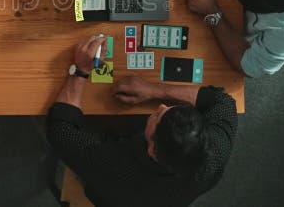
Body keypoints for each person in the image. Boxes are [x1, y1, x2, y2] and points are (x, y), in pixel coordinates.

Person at [46, 36, 238, 207]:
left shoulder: (113, 166)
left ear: (152, 149)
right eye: (170, 109)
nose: (162, 106)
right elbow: (223, 101)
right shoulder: (216, 153)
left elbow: (60, 129)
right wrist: (154, 90)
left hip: (114, 196)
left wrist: (82, 69)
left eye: (157, 117)